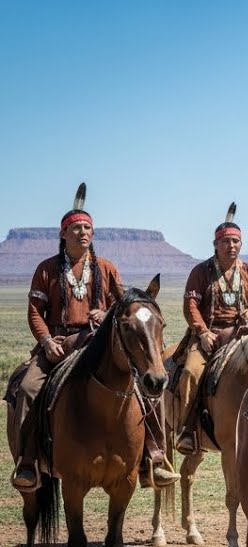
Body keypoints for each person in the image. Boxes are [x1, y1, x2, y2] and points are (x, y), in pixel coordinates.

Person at [9, 183, 178, 491]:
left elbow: (125, 306)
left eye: (87, 227)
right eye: (76, 228)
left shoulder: (106, 268)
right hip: (58, 345)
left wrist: (107, 313)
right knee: (27, 387)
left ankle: (154, 457)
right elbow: (35, 312)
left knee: (146, 388)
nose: (83, 232)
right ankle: (29, 461)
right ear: (63, 234)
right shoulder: (46, 270)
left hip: (96, 344)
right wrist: (46, 341)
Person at [174, 203, 248, 455]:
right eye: (226, 241)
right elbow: (190, 305)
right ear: (216, 245)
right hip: (209, 336)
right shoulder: (201, 272)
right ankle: (187, 429)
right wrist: (202, 332)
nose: (232, 246)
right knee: (191, 373)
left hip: (242, 335)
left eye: (236, 241)